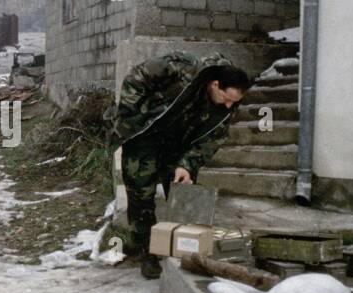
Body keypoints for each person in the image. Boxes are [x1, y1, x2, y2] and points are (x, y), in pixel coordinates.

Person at [104, 52, 250, 279]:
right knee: (141, 198)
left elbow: (211, 140)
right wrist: (134, 120)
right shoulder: (181, 68)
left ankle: (185, 251)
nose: (230, 105)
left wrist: (187, 165)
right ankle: (148, 253)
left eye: (235, 101)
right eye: (227, 98)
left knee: (184, 195)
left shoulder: (226, 107)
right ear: (215, 85)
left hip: (178, 145)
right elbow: (136, 77)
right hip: (145, 139)